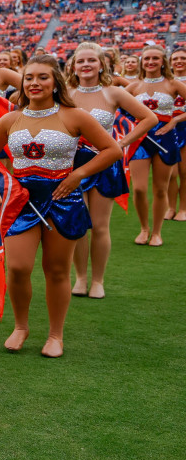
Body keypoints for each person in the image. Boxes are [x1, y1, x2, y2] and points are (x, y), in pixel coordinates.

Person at [0, 55, 121, 357]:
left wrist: (78, 175)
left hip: (63, 198)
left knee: (57, 270)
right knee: (18, 268)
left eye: (42, 77)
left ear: (55, 82)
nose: (35, 83)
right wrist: (3, 181)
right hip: (21, 201)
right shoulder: (9, 119)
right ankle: (21, 327)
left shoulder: (74, 116)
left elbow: (112, 150)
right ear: (22, 83)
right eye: (29, 77)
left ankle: (55, 335)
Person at [66, 43, 156, 298]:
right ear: (73, 66)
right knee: (78, 225)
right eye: (80, 61)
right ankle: (81, 278)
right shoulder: (65, 93)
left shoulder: (113, 92)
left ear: (101, 64)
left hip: (105, 163)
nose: (85, 65)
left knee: (101, 226)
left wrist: (122, 142)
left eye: (91, 61)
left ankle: (98, 281)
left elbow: (149, 118)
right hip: (72, 165)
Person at [126, 45, 186, 246]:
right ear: (142, 62)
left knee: (161, 189)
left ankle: (157, 232)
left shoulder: (173, 84)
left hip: (165, 138)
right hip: (139, 139)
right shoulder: (134, 86)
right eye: (146, 58)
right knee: (140, 189)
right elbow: (113, 105)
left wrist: (175, 121)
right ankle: (144, 228)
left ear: (163, 62)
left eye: (155, 58)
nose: (150, 62)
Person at [164, 47, 186, 221]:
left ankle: (183, 208)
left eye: (183, 58)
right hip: (168, 130)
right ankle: (171, 207)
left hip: (183, 127)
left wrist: (177, 120)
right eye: (175, 59)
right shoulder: (165, 82)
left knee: (184, 171)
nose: (179, 61)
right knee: (171, 173)